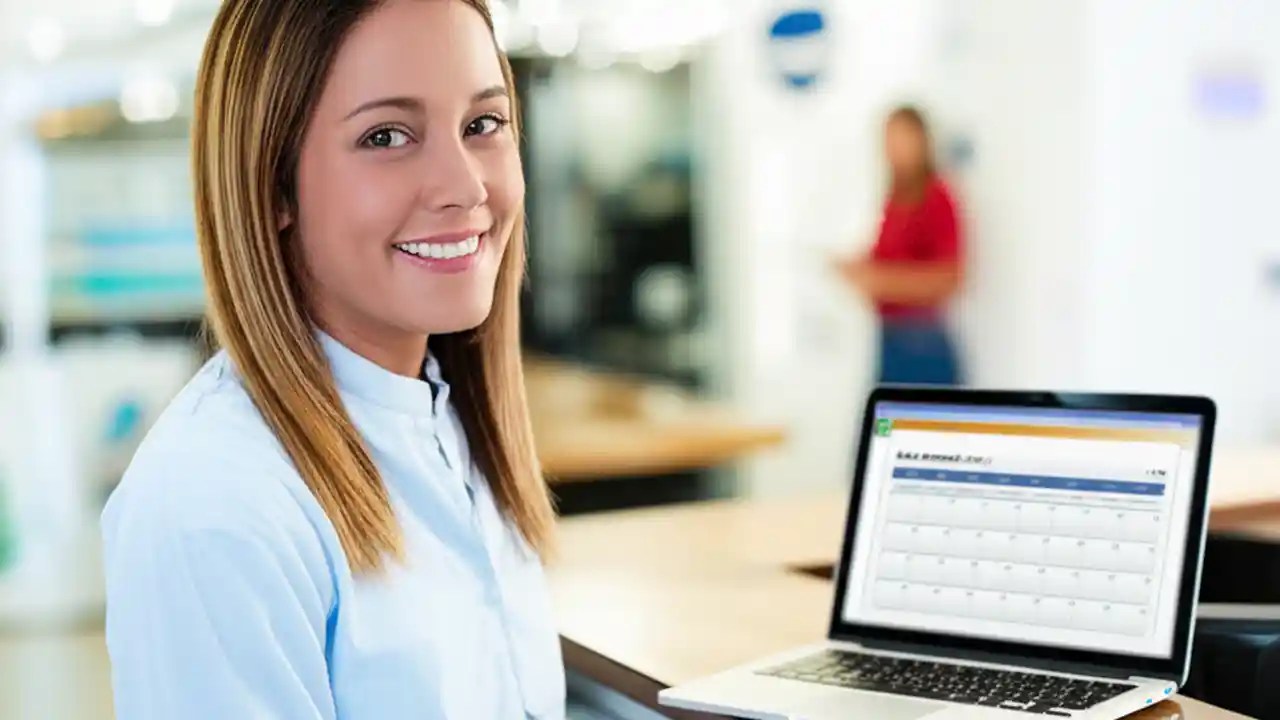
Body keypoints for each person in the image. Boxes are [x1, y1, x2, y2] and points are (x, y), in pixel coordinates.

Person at [100, 1, 564, 718]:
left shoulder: (448, 418)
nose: (467, 187)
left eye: (483, 125)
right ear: (275, 184)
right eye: (387, 136)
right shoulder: (212, 504)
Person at [835, 105, 965, 386]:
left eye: (901, 138)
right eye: (888, 140)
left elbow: (947, 280)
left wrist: (879, 281)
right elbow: (887, 258)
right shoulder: (894, 199)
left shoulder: (937, 198)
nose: (893, 148)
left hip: (921, 344)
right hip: (889, 339)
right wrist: (859, 269)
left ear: (922, 140)